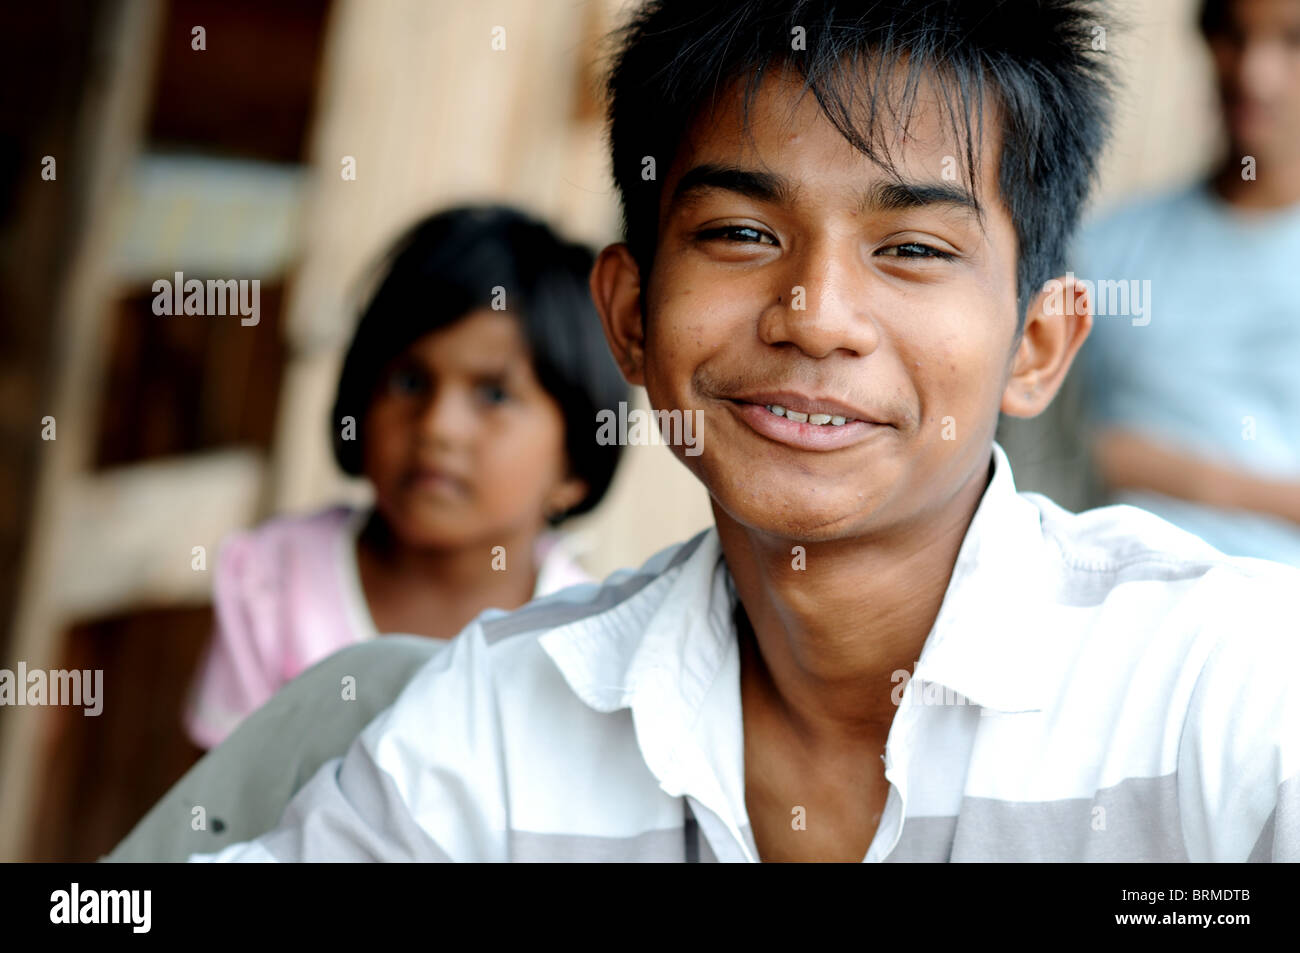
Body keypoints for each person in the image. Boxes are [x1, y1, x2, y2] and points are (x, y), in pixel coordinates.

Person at [193, 0, 1298, 861]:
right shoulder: (505, 718)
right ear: (629, 317)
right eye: (737, 230)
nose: (815, 313)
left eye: (911, 247)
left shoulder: (1226, 688)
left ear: (1037, 345)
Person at [183, 204, 628, 749]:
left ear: (576, 462)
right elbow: (213, 814)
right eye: (410, 383)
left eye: (493, 395)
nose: (438, 428)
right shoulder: (274, 583)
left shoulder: (588, 647)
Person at [1079, 0, 1300, 565]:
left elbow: (1110, 452)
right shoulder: (1107, 249)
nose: (1255, 74)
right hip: (1115, 604)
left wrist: (1176, 475)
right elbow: (1041, 439)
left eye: (1292, 41)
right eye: (1235, 37)